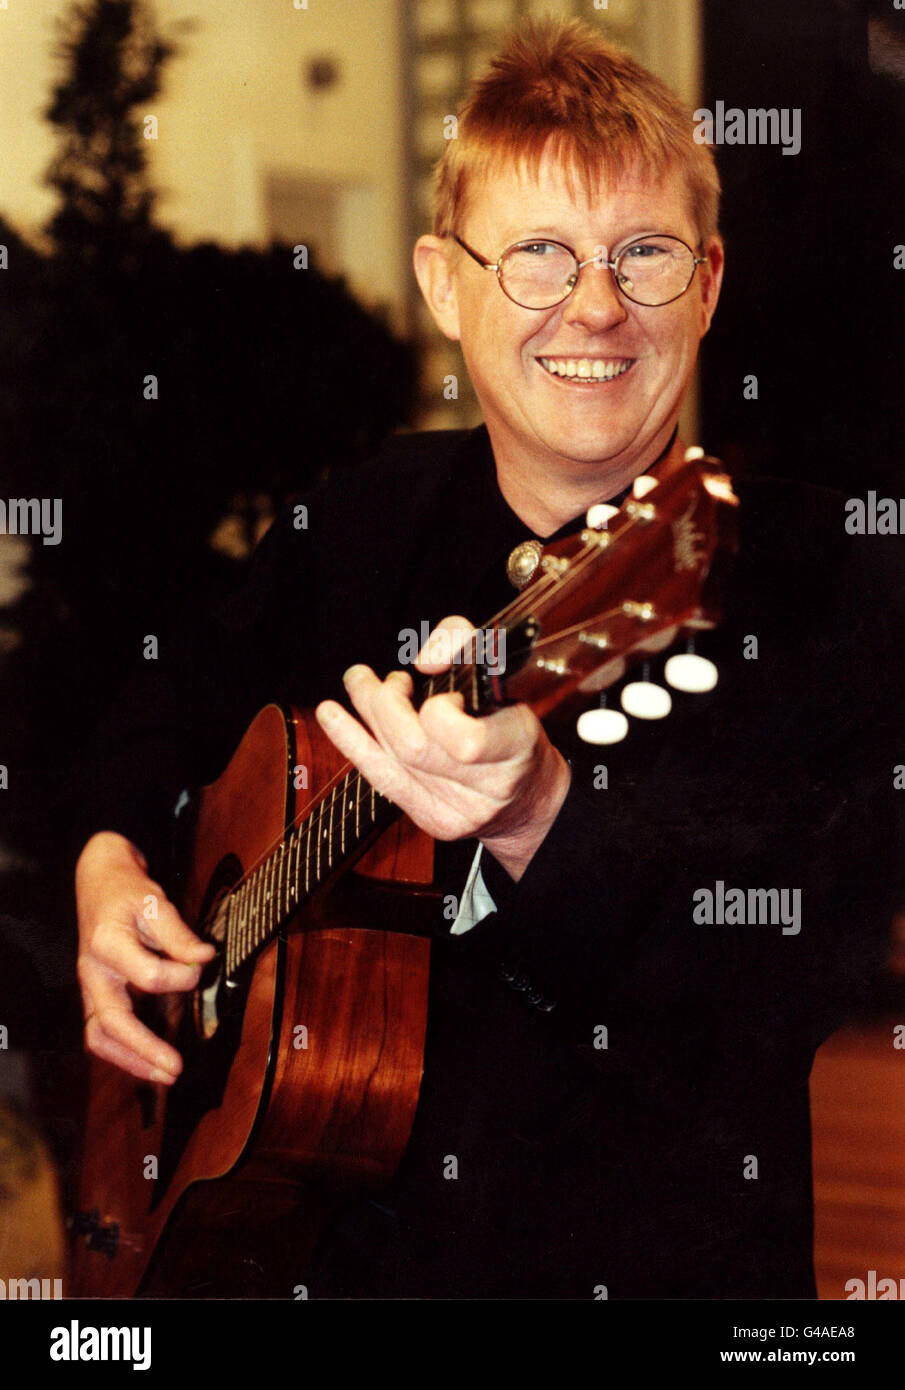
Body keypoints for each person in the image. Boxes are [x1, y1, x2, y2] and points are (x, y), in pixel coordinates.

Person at [74, 20, 904, 1298]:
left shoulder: (828, 577)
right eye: (536, 255)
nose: (594, 306)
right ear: (441, 283)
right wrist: (105, 869)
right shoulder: (356, 520)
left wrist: (537, 816)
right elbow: (151, 707)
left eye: (644, 254)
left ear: (710, 281)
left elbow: (781, 991)